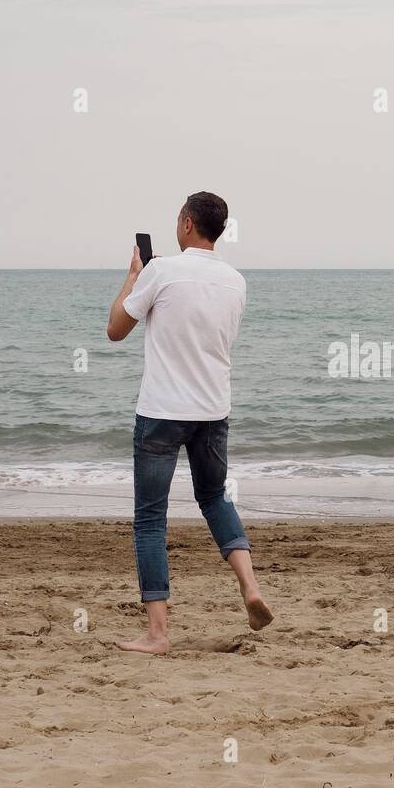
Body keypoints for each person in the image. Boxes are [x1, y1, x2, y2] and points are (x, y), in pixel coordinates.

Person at [106, 191, 273, 654]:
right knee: (215, 498)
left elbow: (116, 329)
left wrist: (134, 276)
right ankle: (250, 587)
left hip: (162, 410)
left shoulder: (160, 271)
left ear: (185, 223)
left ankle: (158, 633)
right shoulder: (236, 282)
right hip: (213, 410)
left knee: (150, 519)